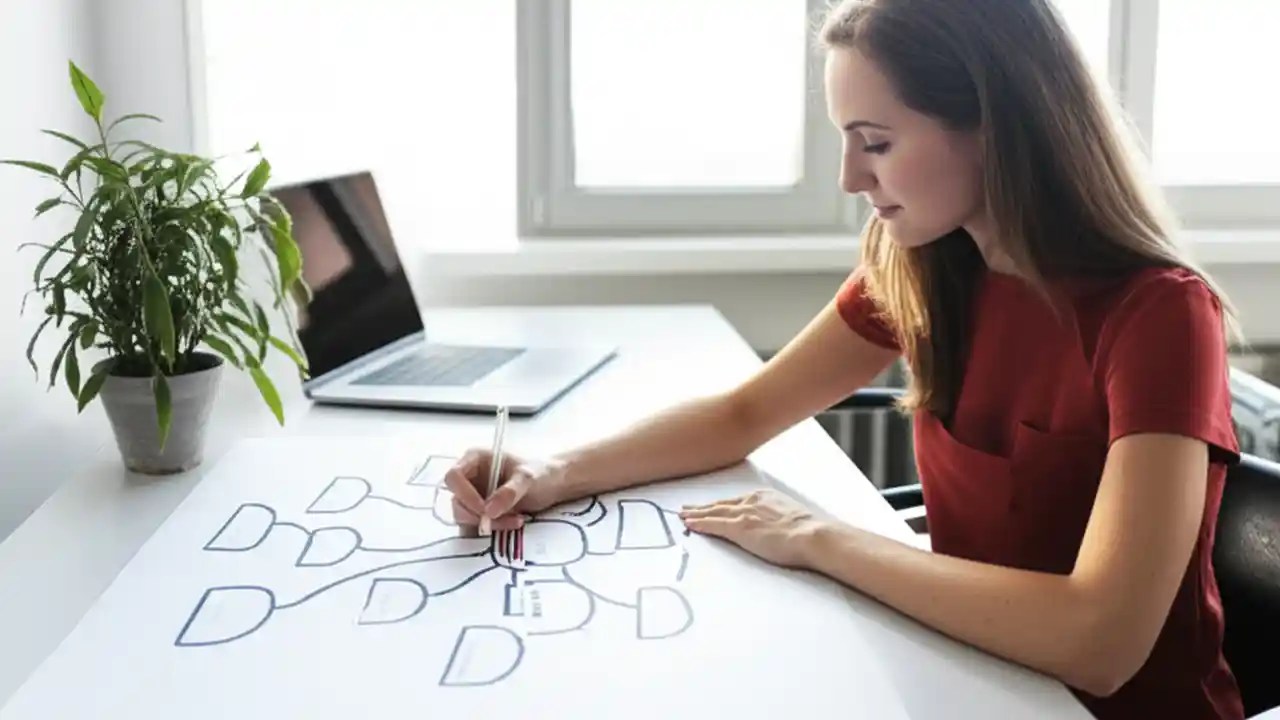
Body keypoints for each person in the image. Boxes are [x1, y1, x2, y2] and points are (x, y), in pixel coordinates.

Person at [444, 0, 1244, 717]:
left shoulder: (1160, 315)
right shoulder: (927, 265)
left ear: (994, 125)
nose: (850, 177)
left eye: (878, 143)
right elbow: (743, 413)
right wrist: (550, 473)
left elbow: (1101, 643)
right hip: (971, 678)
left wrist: (818, 538)